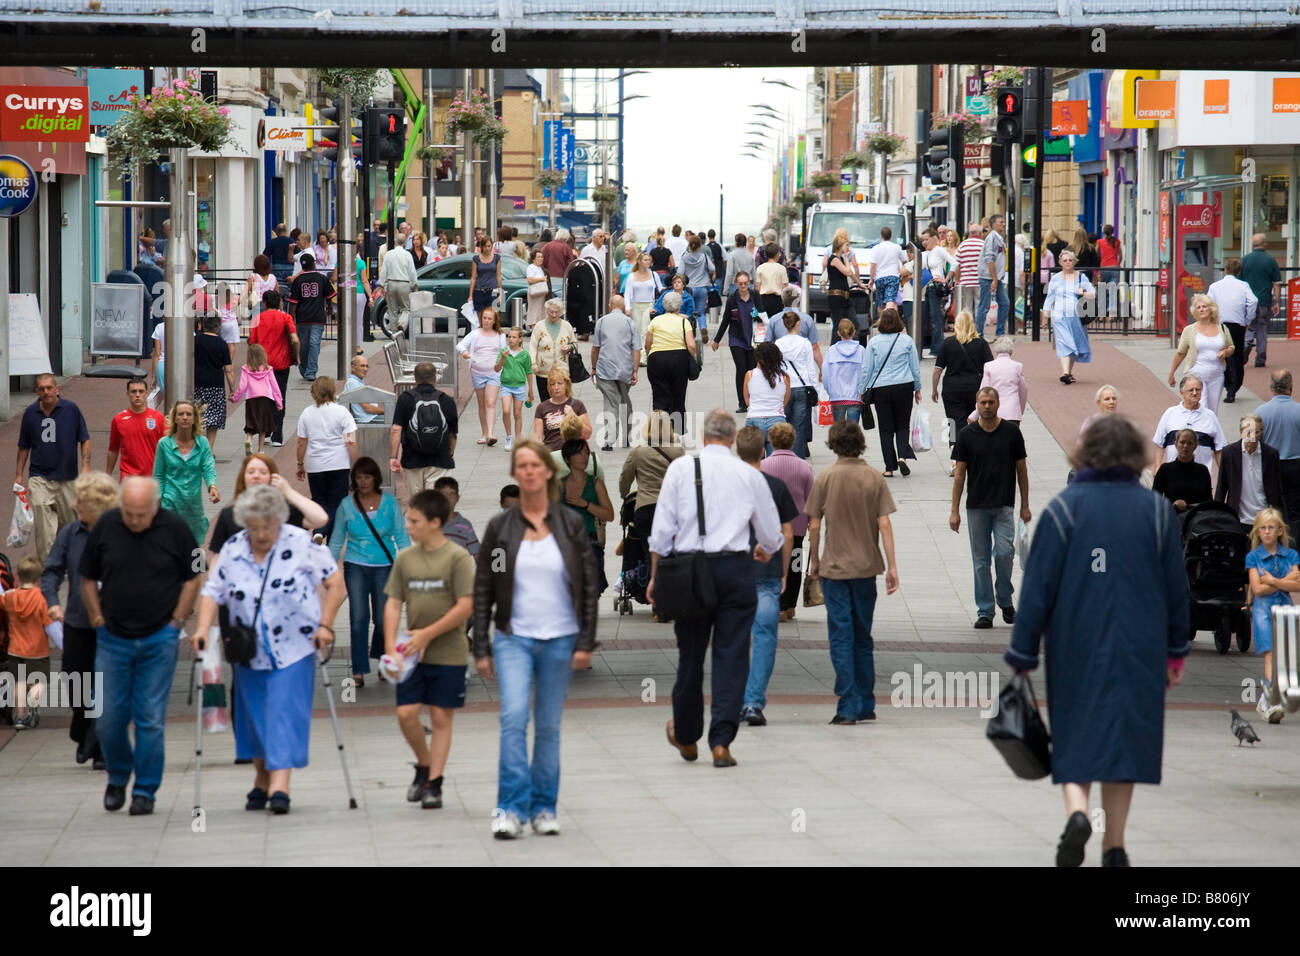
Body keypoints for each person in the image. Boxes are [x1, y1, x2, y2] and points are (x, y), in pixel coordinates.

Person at [1006, 414, 1189, 867]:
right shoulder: (1157, 511)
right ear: (1135, 455)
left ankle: (1077, 816)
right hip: (1140, 646)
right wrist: (1175, 651)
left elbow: (1037, 589)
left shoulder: (1065, 509)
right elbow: (1176, 588)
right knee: (1125, 742)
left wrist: (1024, 651)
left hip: (1075, 643)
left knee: (1074, 734)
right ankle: (1116, 845)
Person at [473, 439, 598, 838]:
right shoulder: (500, 528)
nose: (528, 471)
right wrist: (481, 645)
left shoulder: (570, 525)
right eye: (521, 465)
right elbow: (484, 588)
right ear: (515, 473)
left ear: (548, 472)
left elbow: (589, 586)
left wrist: (584, 642)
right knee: (512, 719)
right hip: (514, 638)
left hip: (560, 638)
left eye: (535, 465)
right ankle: (509, 808)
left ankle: (543, 806)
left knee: (547, 725)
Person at [194, 484, 344, 815]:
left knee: (282, 712)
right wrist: (203, 628)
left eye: (268, 526)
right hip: (247, 648)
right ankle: (261, 778)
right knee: (254, 718)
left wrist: (326, 625)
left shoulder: (301, 543)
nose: (261, 534)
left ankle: (280, 785)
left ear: (279, 521)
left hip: (295, 646)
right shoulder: (234, 548)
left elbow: (335, 583)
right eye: (254, 527)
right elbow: (213, 590)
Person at [649, 409, 784, 769]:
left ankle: (688, 735)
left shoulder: (681, 468)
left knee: (690, 655)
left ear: (704, 436)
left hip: (690, 570)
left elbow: (662, 529)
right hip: (736, 570)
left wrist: (653, 577)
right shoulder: (748, 473)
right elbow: (772, 533)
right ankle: (721, 742)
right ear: (732, 437)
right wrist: (763, 549)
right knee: (732, 654)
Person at [80, 476, 201, 815]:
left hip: (158, 638)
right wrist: (96, 617)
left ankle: (145, 790)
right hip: (112, 637)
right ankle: (118, 776)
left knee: (149, 717)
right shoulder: (106, 526)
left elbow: (195, 573)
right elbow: (87, 576)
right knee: (107, 717)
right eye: (128, 514)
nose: (133, 521)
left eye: (141, 515)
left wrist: (177, 619)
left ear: (155, 507)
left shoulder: (176, 528)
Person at [380, 489, 476, 809]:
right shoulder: (406, 558)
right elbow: (393, 603)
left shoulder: (457, 558)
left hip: (449, 653)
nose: (407, 526)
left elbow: (466, 606)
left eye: (414, 521)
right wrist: (391, 647)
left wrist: (428, 635)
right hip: (410, 654)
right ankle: (423, 764)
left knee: (440, 717)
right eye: (408, 520)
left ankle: (435, 782)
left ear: (435, 522)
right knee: (407, 714)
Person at [803, 418, 899, 724]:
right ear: (860, 442)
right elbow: (884, 523)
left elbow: (814, 523)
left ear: (833, 444)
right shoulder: (874, 477)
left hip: (834, 568)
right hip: (866, 566)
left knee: (841, 635)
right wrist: (892, 565)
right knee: (862, 636)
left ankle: (847, 704)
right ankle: (866, 702)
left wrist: (814, 560)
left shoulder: (826, 478)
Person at [41, 471, 119, 765]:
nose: (74, 504)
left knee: (106, 686)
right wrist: (52, 602)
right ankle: (83, 728)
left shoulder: (120, 533)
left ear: (98, 504)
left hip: (112, 624)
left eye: (82, 500)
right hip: (76, 621)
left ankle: (99, 748)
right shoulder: (70, 534)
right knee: (76, 682)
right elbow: (51, 571)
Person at [950, 388, 1031, 629]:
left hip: (1004, 504)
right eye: (983, 402)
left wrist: (1025, 505)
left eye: (991, 402)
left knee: (1005, 553)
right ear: (977, 404)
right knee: (981, 561)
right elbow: (959, 474)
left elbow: (1022, 470)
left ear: (998, 404)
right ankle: (985, 610)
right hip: (976, 506)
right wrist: (954, 510)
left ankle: (1005, 599)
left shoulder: (1011, 433)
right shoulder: (967, 435)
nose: (986, 406)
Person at [735, 425, 796, 727]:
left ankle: (732, 697)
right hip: (766, 573)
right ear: (763, 450)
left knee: (731, 638)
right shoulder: (775, 486)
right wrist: (783, 570)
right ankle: (753, 702)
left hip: (732, 573)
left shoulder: (725, 486)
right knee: (764, 638)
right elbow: (787, 532)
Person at [329, 457, 409, 686]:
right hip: (355, 566)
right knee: (358, 618)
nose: (363, 482)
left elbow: (401, 536)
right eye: (359, 477)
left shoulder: (390, 503)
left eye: (367, 477)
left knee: (384, 620)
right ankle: (358, 670)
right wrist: (326, 570)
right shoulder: (346, 505)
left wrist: (410, 564)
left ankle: (383, 659)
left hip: (385, 566)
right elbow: (336, 540)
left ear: (376, 478)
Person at [15, 374, 90, 562]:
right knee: (43, 523)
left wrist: (86, 465)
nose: (46, 392)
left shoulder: (71, 409)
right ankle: (48, 567)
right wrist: (18, 475)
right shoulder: (31, 413)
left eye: (49, 388)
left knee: (69, 525)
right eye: (42, 388)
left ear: (57, 389)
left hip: (67, 477)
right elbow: (24, 446)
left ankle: (70, 560)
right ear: (36, 391)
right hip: (40, 476)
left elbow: (84, 438)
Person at [207, 454, 328, 563]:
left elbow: (320, 519)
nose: (256, 476)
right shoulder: (229, 515)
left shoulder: (284, 512)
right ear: (243, 478)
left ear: (273, 478)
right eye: (251, 472)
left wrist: (288, 491)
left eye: (263, 472)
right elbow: (217, 560)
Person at [1246, 508, 1298, 726]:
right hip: (1263, 611)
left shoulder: (1291, 555)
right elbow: (1256, 590)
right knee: (1271, 655)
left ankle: (1267, 698)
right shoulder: (1253, 557)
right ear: (1257, 532)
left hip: (1285, 610)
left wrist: (1272, 581)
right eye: (1263, 528)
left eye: (1271, 528)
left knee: (1286, 657)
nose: (1267, 532)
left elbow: (1297, 585)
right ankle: (1271, 700)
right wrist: (1284, 580)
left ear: (1279, 531)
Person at [761, 422, 814, 624]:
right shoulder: (804, 467)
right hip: (798, 525)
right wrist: (811, 523)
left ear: (772, 441)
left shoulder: (764, 466)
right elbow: (811, 498)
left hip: (772, 525)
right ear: (792, 441)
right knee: (795, 564)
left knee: (774, 562)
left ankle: (777, 604)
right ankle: (790, 604)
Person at [861, 305, 922, 478]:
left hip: (881, 388)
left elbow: (867, 369)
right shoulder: (907, 341)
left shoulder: (874, 342)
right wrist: (917, 388)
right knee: (903, 425)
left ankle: (889, 467)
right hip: (904, 385)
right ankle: (902, 456)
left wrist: (862, 389)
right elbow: (914, 367)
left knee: (886, 429)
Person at [296, 377, 359, 540]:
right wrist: (357, 464)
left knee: (320, 502)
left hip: (316, 465)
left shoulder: (306, 413)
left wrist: (300, 463)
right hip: (339, 464)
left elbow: (301, 442)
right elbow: (350, 441)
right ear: (333, 390)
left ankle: (320, 532)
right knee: (337, 505)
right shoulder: (342, 412)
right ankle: (323, 533)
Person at [933, 311, 993, 473]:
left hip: (952, 388)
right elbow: (990, 368)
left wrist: (934, 389)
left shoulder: (948, 343)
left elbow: (938, 369)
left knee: (953, 422)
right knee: (973, 421)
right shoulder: (981, 343)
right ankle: (974, 457)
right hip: (975, 388)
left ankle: (955, 458)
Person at [153, 399, 220, 544]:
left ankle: (197, 567)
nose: (185, 417)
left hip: (193, 507)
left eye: (189, 414)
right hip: (170, 504)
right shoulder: (164, 444)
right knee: (171, 548)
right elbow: (158, 476)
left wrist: (212, 487)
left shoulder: (202, 443)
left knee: (196, 552)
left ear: (195, 418)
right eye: (181, 414)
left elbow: (208, 468)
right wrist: (157, 502)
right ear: (175, 418)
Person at [390, 362, 458, 497]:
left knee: (417, 504)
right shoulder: (446, 400)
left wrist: (393, 457)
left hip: (412, 460)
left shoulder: (405, 399)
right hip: (440, 461)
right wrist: (449, 454)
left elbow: (396, 430)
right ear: (435, 377)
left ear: (415, 378)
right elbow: (453, 434)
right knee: (435, 503)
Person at [619, 410, 687, 545]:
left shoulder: (638, 452)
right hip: (671, 508)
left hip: (646, 508)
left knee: (649, 554)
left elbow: (624, 479)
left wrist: (624, 494)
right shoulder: (679, 451)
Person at [1, 555, 53, 730]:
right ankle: (32, 702)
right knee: (40, 682)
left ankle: (20, 717)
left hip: (15, 649)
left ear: (17, 575)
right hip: (38, 650)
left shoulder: (10, 598)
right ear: (39, 578)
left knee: (19, 682)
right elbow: (49, 624)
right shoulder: (41, 599)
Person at [560, 438, 616, 594]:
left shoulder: (596, 483)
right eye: (578, 454)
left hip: (590, 539)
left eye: (586, 453)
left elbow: (610, 515)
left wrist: (585, 504)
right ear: (567, 459)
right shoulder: (559, 485)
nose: (584, 457)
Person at [248, 289, 299, 448]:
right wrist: (297, 357)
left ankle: (266, 433)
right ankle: (278, 436)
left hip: (261, 364)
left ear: (264, 303)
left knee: (264, 398)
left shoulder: (257, 319)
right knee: (279, 397)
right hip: (281, 363)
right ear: (279, 303)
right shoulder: (286, 317)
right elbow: (295, 339)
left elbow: (252, 342)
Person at [1216, 414, 1284, 534]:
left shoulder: (1271, 454)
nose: (1252, 436)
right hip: (1238, 518)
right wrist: (1217, 516)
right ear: (1241, 431)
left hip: (1265, 518)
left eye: (1256, 432)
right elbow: (1222, 486)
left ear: (1261, 432)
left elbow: (1278, 488)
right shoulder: (1229, 453)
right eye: (1248, 432)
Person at [1151, 374, 1228, 476]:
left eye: (1198, 390)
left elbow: (1219, 449)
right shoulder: (1170, 413)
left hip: (1201, 478)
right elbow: (1159, 444)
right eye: (1191, 390)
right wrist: (1157, 468)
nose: (1195, 393)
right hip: (1173, 477)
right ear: (1182, 392)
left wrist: (1225, 476)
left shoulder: (1210, 416)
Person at [591, 294, 641, 451]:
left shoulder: (602, 321)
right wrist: (635, 370)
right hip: (624, 369)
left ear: (609, 306)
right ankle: (626, 437)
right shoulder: (629, 322)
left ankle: (609, 440)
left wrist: (593, 367)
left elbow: (595, 348)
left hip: (605, 368)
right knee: (625, 401)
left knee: (612, 402)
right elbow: (636, 349)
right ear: (624, 307)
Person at [1168, 294, 1232, 413]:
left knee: (1212, 411)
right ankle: (1196, 431)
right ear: (1195, 311)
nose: (1202, 309)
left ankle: (1209, 432)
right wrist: (1172, 373)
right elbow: (1181, 353)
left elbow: (1231, 347)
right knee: (1201, 407)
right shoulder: (1189, 330)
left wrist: (1225, 351)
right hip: (1197, 374)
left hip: (1217, 375)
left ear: (1211, 309)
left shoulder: (1222, 328)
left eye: (1204, 306)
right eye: (1198, 307)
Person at [1207, 258, 1258, 404]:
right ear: (1239, 272)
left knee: (1222, 354)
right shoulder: (1243, 286)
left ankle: (1227, 383)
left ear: (1225, 270)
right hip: (1237, 324)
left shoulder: (1215, 286)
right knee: (1236, 354)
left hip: (1221, 324)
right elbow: (1253, 301)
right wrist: (1247, 319)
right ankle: (1234, 386)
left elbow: (1209, 303)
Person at [645, 290, 697, 431]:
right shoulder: (683, 322)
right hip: (678, 359)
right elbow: (691, 345)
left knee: (659, 396)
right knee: (678, 396)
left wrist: (650, 355)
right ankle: (678, 429)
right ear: (679, 306)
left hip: (657, 359)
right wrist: (692, 358)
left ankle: (658, 430)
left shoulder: (655, 321)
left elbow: (647, 344)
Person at [1042, 249, 1095, 385]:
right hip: (1059, 315)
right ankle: (1065, 373)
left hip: (1076, 316)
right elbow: (1049, 298)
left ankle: (1069, 373)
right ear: (1060, 262)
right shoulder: (1055, 278)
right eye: (1065, 260)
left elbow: (1092, 293)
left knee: (1074, 342)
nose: (1067, 263)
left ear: (1075, 262)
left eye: (1070, 260)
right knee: (1064, 342)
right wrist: (1045, 316)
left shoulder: (1080, 277)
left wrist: (1083, 292)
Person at [1258, 369, 1300, 541]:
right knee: (1295, 512)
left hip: (1270, 466)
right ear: (1291, 387)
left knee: (1271, 508)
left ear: (1271, 388)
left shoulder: (1260, 412)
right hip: (1296, 465)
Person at [714, 272, 763, 412]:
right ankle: (742, 403)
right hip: (737, 339)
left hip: (754, 339)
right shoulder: (732, 299)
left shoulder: (755, 296)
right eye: (740, 283)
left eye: (745, 283)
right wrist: (717, 340)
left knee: (752, 370)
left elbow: (763, 315)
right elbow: (725, 320)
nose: (743, 286)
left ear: (749, 283)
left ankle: (752, 400)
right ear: (736, 283)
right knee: (741, 369)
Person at [457, 305, 504, 447]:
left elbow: (503, 352)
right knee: (481, 404)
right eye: (484, 318)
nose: (486, 321)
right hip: (477, 372)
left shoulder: (500, 336)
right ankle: (484, 433)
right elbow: (460, 345)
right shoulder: (475, 333)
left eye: (490, 319)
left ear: (494, 321)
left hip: (494, 373)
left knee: (490, 402)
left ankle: (490, 433)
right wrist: (465, 352)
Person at [774, 311, 819, 459]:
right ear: (798, 324)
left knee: (784, 423)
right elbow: (810, 368)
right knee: (799, 426)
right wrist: (815, 389)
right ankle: (798, 458)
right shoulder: (805, 343)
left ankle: (783, 455)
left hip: (784, 386)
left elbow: (775, 368)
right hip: (801, 386)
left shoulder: (779, 344)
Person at [287, 253, 336, 382]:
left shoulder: (298, 280)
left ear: (302, 266)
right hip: (317, 317)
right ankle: (309, 370)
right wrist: (329, 308)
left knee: (303, 345)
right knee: (314, 344)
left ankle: (308, 370)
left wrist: (291, 318)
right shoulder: (321, 278)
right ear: (314, 263)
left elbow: (293, 302)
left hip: (302, 318)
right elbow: (330, 295)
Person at [106, 377, 166, 480]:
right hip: (128, 478)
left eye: (141, 391)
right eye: (133, 392)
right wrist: (107, 475)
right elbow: (113, 450)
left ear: (146, 394)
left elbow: (167, 448)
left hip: (153, 478)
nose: (137, 395)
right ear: (128, 394)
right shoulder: (118, 420)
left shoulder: (158, 418)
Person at [193, 314, 236, 453]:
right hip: (216, 384)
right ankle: (209, 450)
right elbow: (228, 370)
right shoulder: (222, 344)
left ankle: (198, 447)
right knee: (214, 419)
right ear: (218, 327)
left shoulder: (195, 340)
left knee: (197, 416)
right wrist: (232, 389)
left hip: (197, 383)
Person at [1241, 234, 1282, 369]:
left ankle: (1245, 346)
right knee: (1262, 329)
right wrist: (1276, 301)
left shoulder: (1245, 260)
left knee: (1249, 326)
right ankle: (1260, 358)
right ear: (1264, 244)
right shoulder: (1270, 261)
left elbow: (1240, 283)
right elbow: (1276, 283)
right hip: (1264, 300)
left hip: (1247, 301)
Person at [743, 342, 791, 455]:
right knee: (775, 462)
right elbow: (785, 401)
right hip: (777, 421)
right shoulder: (784, 378)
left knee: (752, 460)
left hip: (754, 419)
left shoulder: (749, 375)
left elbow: (747, 401)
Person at [528, 298, 578, 403]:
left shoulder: (566, 326)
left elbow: (574, 343)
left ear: (561, 312)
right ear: (547, 311)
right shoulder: (539, 326)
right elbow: (532, 346)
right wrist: (533, 363)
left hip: (562, 372)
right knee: (546, 403)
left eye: (557, 312)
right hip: (543, 372)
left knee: (563, 402)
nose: (554, 315)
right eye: (551, 312)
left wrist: (569, 347)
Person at [1152, 430, 1213, 514]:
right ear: (1176, 444)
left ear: (1196, 445)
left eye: (1189, 443)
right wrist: (1172, 506)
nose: (1185, 446)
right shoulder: (1165, 469)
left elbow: (1208, 502)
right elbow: (1154, 499)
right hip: (1171, 519)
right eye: (1182, 442)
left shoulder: (1202, 471)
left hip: (1196, 521)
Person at [533, 366, 592, 452]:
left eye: (560, 383)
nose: (556, 387)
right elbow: (537, 438)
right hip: (552, 453)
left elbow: (588, 434)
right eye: (553, 384)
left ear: (566, 385)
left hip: (573, 452)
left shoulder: (577, 405)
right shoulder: (542, 407)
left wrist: (573, 416)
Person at [495, 326, 534, 453]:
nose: (510, 339)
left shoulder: (524, 354)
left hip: (520, 386)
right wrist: (503, 358)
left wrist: (531, 390)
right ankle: (508, 437)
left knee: (517, 414)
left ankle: (518, 440)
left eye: (513, 337)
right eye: (509, 336)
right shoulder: (504, 351)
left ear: (520, 339)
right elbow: (496, 368)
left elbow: (529, 371)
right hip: (506, 385)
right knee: (506, 411)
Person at [975, 336, 1029, 425]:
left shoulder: (989, 366)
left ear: (996, 351)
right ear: (1011, 351)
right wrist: (1020, 409)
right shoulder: (1017, 366)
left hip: (993, 411)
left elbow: (984, 390)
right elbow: (1023, 391)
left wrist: (977, 412)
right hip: (1012, 411)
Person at [824, 318, 867, 425]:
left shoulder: (832, 350)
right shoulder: (861, 350)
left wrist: (830, 391)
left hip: (837, 397)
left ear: (838, 333)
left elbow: (825, 375)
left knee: (838, 433)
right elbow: (866, 373)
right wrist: (862, 391)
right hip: (855, 397)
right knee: (852, 434)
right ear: (854, 332)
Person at [922, 229, 957, 357]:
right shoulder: (926, 253)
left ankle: (937, 349)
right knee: (926, 318)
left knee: (935, 318)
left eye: (926, 239)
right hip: (926, 287)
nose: (924, 242)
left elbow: (954, 262)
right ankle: (929, 346)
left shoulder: (938, 250)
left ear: (933, 238)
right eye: (923, 240)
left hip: (935, 287)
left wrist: (945, 279)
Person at [974, 216, 1009, 337]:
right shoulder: (992, 238)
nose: (1003, 224)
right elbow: (989, 258)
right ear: (993, 225)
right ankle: (978, 333)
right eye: (1001, 222)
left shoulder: (999, 238)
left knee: (1004, 303)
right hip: (988, 277)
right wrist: (994, 278)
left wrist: (996, 278)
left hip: (996, 277)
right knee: (984, 306)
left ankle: (1000, 332)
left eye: (1004, 222)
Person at [378, 231, 417, 333]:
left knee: (392, 310)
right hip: (404, 284)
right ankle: (402, 324)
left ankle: (394, 333)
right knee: (406, 309)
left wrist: (381, 285)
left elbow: (384, 271)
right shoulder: (407, 255)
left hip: (391, 283)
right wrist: (415, 284)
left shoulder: (389, 254)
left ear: (395, 241)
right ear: (404, 243)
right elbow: (412, 271)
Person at [433, 476, 480, 557]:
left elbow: (477, 553)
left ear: (457, 498)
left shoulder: (465, 525)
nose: (448, 497)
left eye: (452, 493)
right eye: (444, 494)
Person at [866, 227, 907, 321]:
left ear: (881, 236)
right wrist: (904, 273)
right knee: (891, 301)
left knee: (881, 304)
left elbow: (873, 265)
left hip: (879, 278)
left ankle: (883, 323)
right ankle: (892, 323)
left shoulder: (876, 248)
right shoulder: (897, 247)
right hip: (893, 276)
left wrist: (871, 279)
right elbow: (905, 261)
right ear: (890, 236)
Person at [625, 252, 661, 350]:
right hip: (636, 306)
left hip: (649, 305)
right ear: (639, 261)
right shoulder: (631, 276)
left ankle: (644, 356)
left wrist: (656, 306)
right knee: (636, 330)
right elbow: (627, 294)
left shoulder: (654, 275)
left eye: (649, 260)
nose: (648, 262)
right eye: (645, 260)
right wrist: (628, 308)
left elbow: (661, 290)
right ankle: (637, 353)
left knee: (646, 330)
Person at [343, 353, 383, 428]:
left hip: (372, 417)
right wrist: (386, 412)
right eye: (362, 366)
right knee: (398, 421)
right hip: (369, 419)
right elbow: (367, 408)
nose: (365, 369)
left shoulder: (358, 381)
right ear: (353, 367)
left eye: (367, 366)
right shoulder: (352, 383)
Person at [467, 236, 503, 319]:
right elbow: (473, 278)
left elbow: (499, 276)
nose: (487, 248)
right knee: (480, 318)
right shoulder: (476, 259)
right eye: (485, 246)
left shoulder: (497, 258)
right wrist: (470, 296)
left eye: (489, 246)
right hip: (479, 291)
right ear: (481, 247)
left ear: (492, 246)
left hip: (493, 291)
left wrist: (501, 294)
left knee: (493, 317)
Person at [955, 224, 984, 317]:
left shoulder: (962, 245)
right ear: (979, 233)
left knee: (967, 307)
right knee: (979, 306)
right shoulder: (983, 245)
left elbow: (957, 265)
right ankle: (978, 329)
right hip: (980, 280)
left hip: (966, 281)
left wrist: (957, 279)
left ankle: (969, 328)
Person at [1096, 224, 1122, 320]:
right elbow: (1120, 255)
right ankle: (1112, 314)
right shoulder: (1117, 242)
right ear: (1112, 232)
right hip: (1115, 267)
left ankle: (1102, 315)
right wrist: (1117, 264)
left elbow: (1096, 254)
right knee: (1113, 290)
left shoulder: (1099, 242)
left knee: (1102, 290)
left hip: (1104, 267)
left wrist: (1100, 264)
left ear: (1103, 232)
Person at [755, 244, 788, 318]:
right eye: (779, 253)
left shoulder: (760, 268)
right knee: (777, 323)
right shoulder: (782, 268)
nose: (779, 255)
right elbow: (785, 288)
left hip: (763, 300)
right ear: (777, 254)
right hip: (778, 301)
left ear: (766, 255)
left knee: (764, 323)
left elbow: (757, 287)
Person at [245, 254, 279, 324]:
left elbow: (246, 291)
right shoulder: (273, 277)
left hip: (257, 304)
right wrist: (280, 309)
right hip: (271, 305)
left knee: (257, 328)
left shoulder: (253, 276)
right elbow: (277, 294)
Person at [542, 228, 578, 294]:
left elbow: (542, 262)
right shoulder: (566, 247)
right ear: (566, 238)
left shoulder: (547, 246)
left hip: (548, 278)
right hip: (561, 279)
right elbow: (571, 265)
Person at [723, 231, 754, 296]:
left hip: (735, 285)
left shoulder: (732, 255)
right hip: (748, 285)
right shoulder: (750, 255)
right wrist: (754, 286)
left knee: (735, 306)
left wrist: (725, 289)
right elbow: (754, 272)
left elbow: (729, 274)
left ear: (736, 242)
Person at [525, 248, 548, 330]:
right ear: (533, 258)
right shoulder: (531, 267)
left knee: (540, 313)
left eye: (542, 257)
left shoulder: (540, 268)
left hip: (541, 294)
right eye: (538, 257)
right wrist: (542, 279)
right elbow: (530, 280)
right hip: (534, 294)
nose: (541, 258)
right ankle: (534, 330)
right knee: (534, 313)